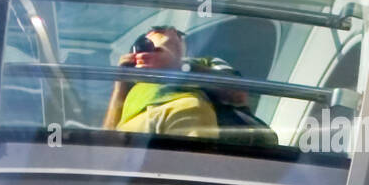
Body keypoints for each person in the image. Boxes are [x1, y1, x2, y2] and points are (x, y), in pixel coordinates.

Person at [103, 24, 277, 145]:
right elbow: (110, 135)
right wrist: (121, 82)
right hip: (140, 129)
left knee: (191, 109)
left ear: (180, 40)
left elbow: (237, 93)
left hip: (194, 119)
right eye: (144, 44)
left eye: (160, 34)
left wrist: (179, 67)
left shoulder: (204, 63)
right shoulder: (133, 79)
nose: (149, 46)